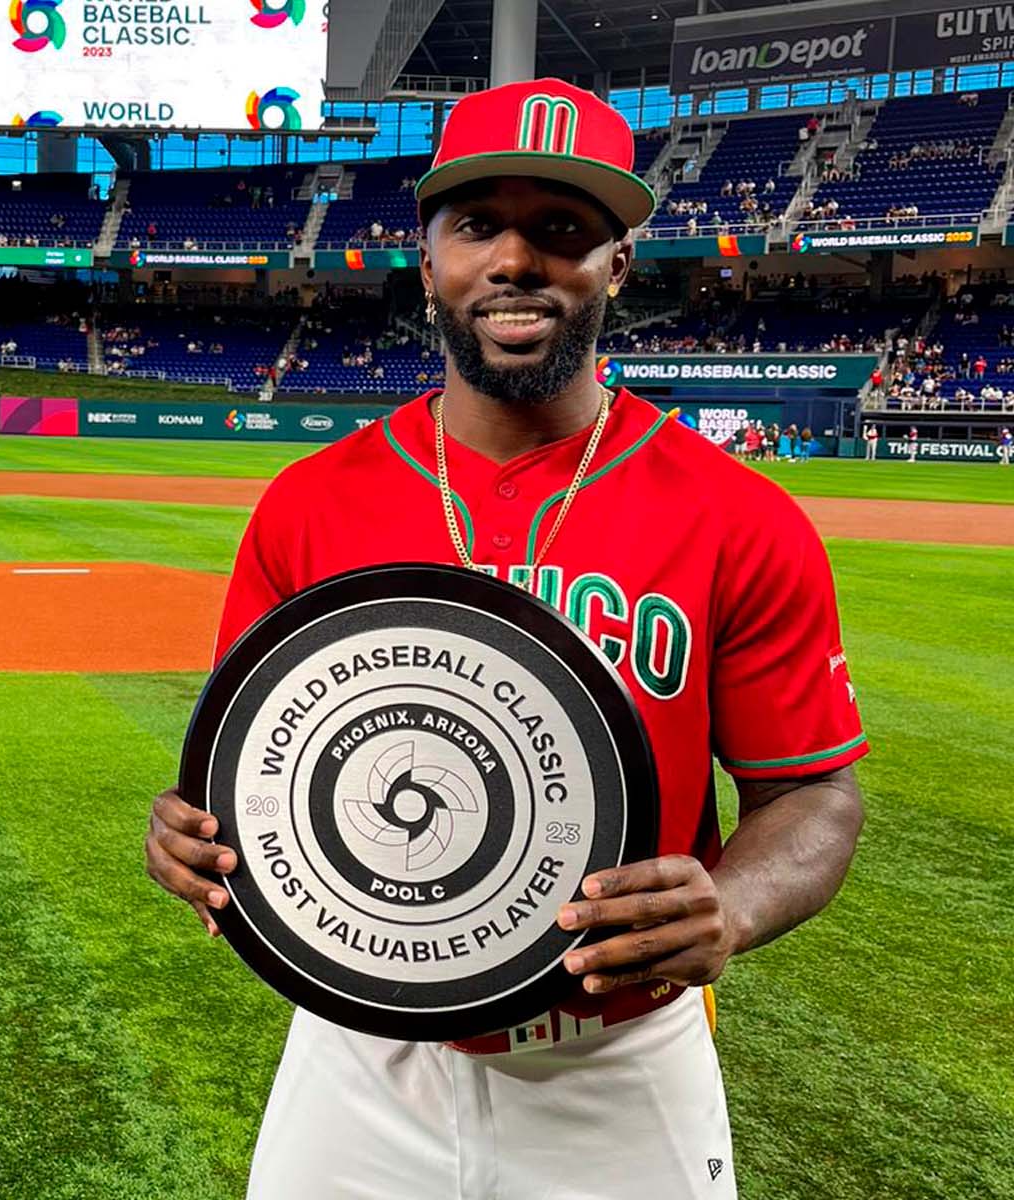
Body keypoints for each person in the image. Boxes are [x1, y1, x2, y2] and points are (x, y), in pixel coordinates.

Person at [145, 77, 866, 1200]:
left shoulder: (738, 518)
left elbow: (814, 795)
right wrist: (192, 837)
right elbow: (255, 772)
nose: (516, 260)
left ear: (617, 264)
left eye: (562, 229)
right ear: (427, 256)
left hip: (616, 1063)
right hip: (359, 1063)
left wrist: (731, 904)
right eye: (479, 224)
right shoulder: (307, 506)